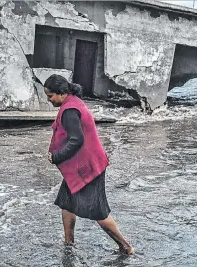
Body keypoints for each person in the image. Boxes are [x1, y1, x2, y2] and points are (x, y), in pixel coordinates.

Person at [44, 74, 134, 255]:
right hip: (83, 166)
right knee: (67, 203)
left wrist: (56, 156)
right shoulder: (73, 101)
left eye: (50, 96)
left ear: (61, 93)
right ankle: (69, 243)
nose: (49, 100)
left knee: (98, 211)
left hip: (87, 168)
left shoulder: (70, 111)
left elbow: (76, 140)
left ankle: (126, 247)